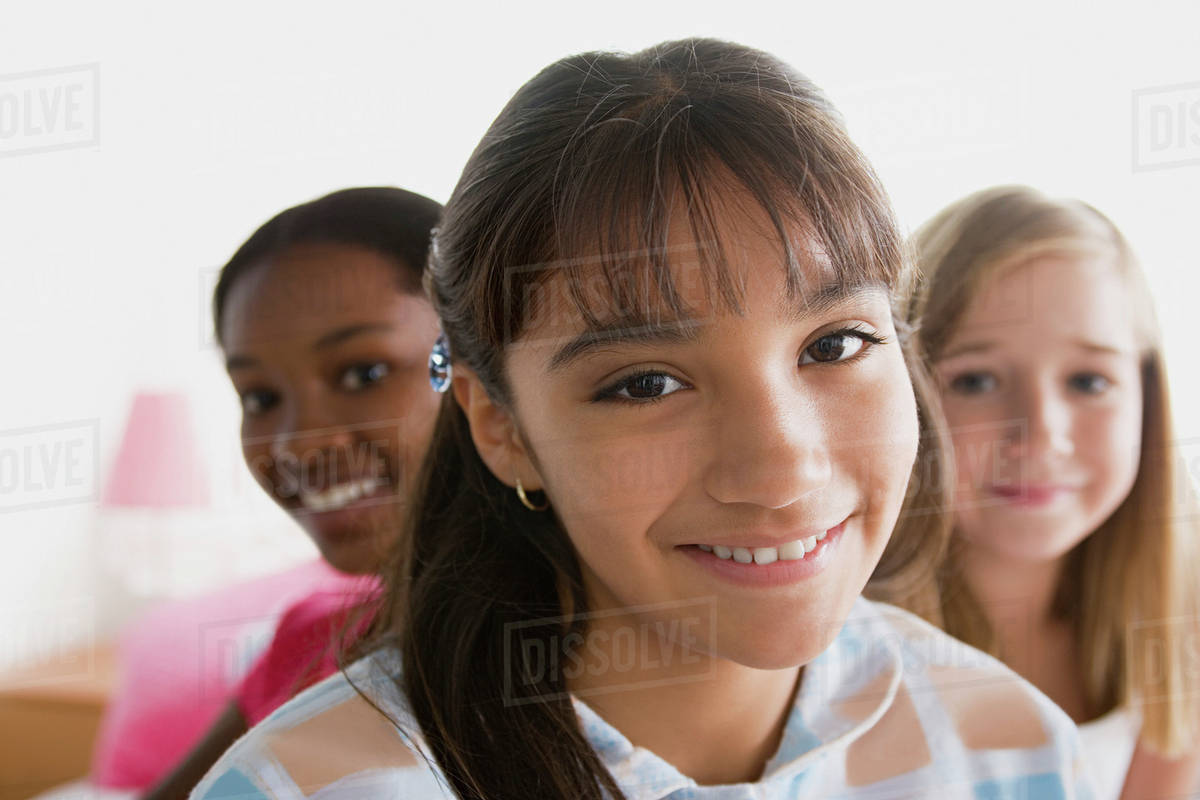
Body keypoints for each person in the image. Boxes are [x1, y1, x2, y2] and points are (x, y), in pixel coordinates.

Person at [193, 40, 1093, 799]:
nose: (784, 472)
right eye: (647, 384)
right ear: (501, 426)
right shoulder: (314, 785)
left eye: (835, 345)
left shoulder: (1012, 756)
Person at [140, 187, 444, 798]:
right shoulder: (311, 644)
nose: (297, 446)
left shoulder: (597, 654)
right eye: (260, 397)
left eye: (364, 373)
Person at [902, 184, 1200, 800]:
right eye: (977, 380)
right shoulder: (839, 647)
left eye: (1089, 381)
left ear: (1149, 397)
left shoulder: (1180, 620)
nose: (1040, 435)